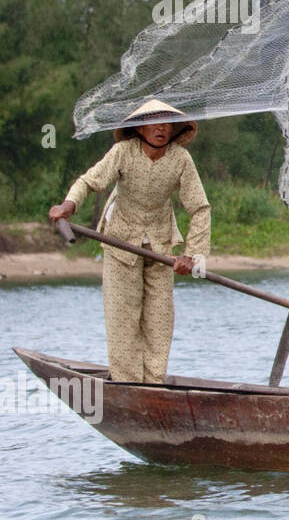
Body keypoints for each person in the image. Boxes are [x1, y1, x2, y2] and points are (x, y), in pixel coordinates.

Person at [48, 99, 210, 383]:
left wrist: (192, 255)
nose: (161, 128)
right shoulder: (123, 152)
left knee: (159, 321)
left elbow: (199, 208)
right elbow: (89, 182)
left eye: (167, 123)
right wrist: (68, 206)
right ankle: (128, 384)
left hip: (160, 248)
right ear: (141, 127)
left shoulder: (180, 159)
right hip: (121, 243)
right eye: (154, 122)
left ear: (174, 129)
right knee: (123, 319)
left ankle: (154, 385)